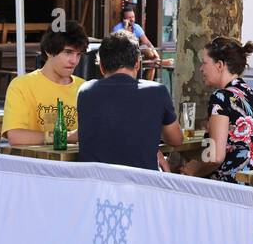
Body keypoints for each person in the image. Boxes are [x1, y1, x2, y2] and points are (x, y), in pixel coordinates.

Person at [180, 37, 253, 183]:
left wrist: (194, 170)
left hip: (236, 189)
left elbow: (215, 158)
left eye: (204, 63)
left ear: (220, 65)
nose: (201, 68)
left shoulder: (221, 97)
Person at [77, 31, 181, 171]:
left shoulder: (85, 91)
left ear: (101, 66)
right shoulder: (157, 92)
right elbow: (176, 140)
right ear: (137, 64)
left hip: (96, 186)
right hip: (142, 185)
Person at [2, 23, 89, 147]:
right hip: (34, 164)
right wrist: (66, 137)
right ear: (48, 51)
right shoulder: (22, 86)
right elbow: (16, 137)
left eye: (78, 54)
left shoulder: (85, 88)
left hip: (77, 164)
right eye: (68, 52)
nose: (74, 60)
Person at [112, 6, 161, 80]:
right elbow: (122, 44)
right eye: (129, 18)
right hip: (122, 53)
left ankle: (147, 83)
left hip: (136, 51)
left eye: (133, 17)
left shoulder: (136, 27)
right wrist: (125, 28)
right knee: (147, 54)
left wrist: (156, 54)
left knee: (150, 54)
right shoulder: (118, 28)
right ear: (124, 19)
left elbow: (147, 42)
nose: (132, 19)